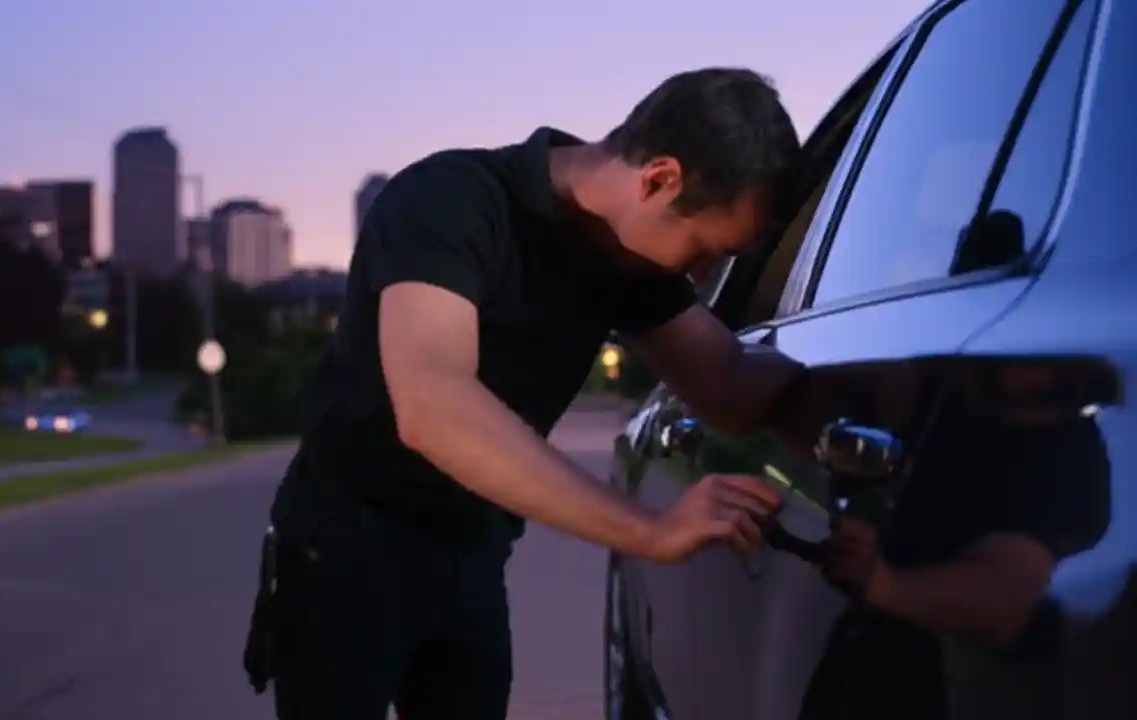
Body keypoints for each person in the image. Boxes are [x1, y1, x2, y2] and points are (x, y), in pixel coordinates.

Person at [247, 67, 809, 720]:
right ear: (659, 179)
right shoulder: (450, 201)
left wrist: (886, 382)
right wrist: (648, 529)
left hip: (472, 552)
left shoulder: (628, 254)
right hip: (344, 547)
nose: (704, 275)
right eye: (705, 251)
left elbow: (729, 383)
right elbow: (432, 406)